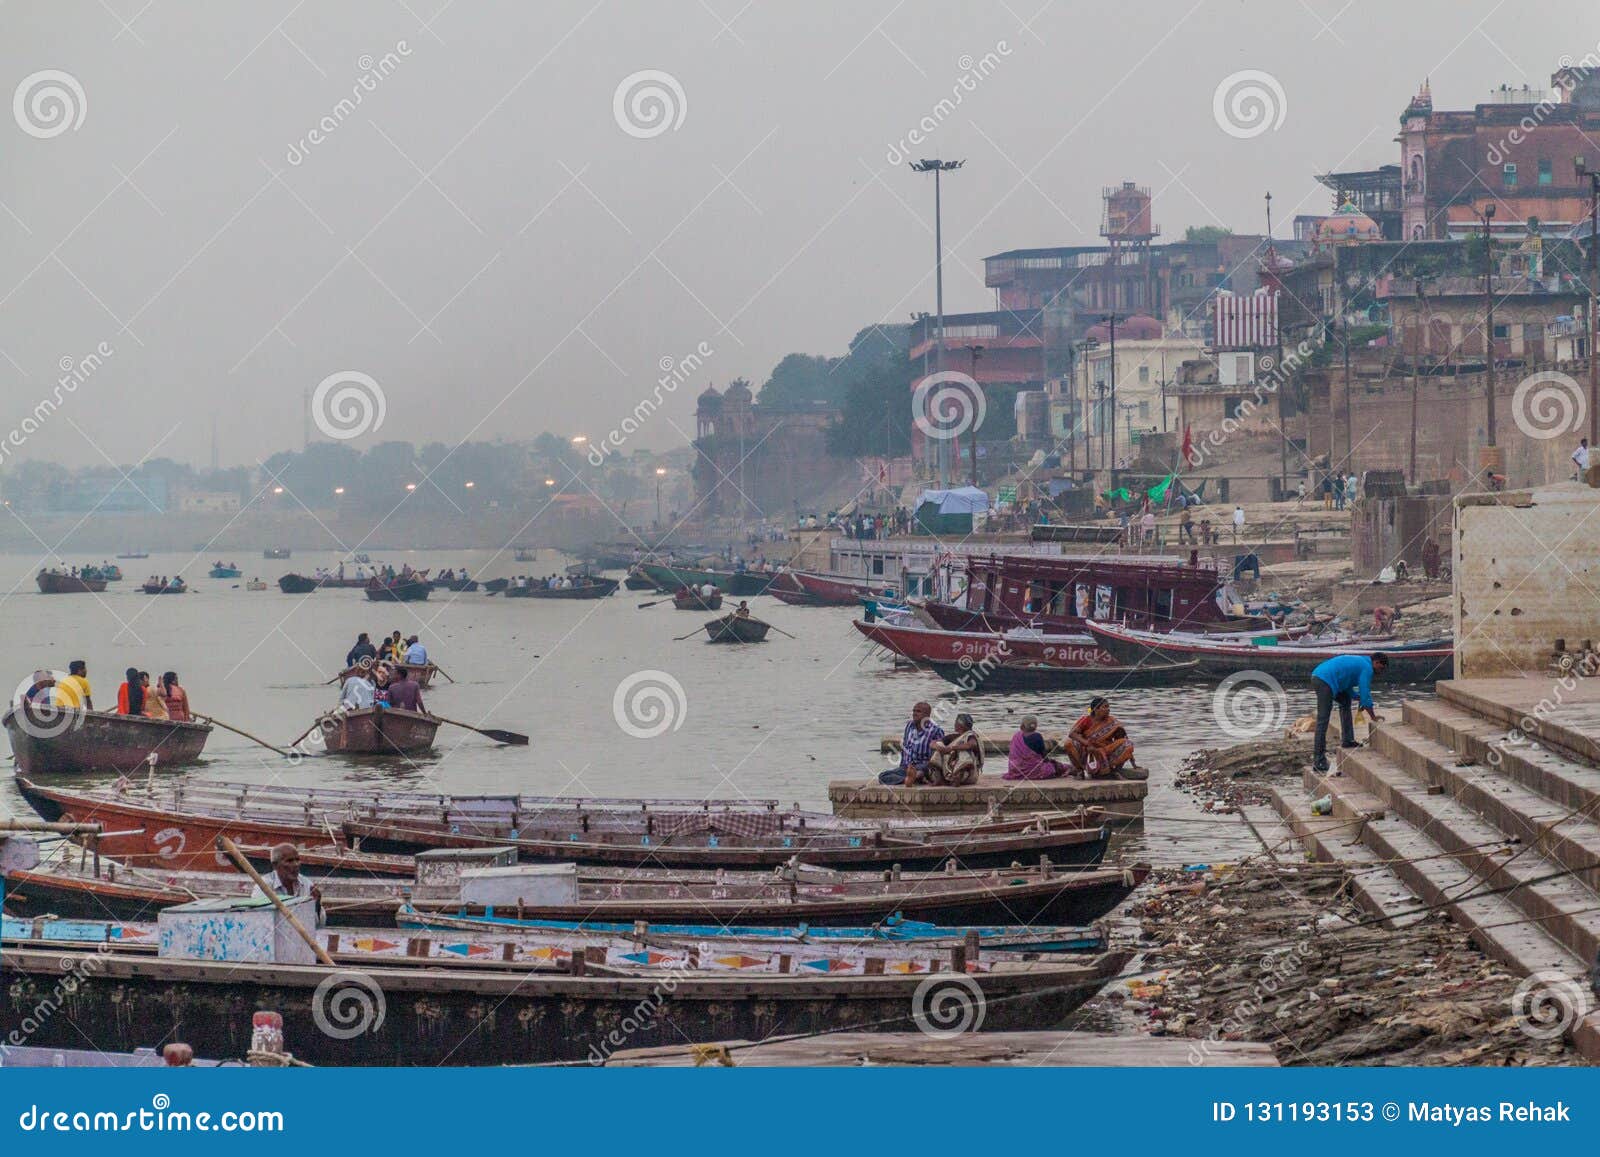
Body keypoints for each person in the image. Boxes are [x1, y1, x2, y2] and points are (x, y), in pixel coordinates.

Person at [1310, 652, 1389, 773]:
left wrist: (1357, 697)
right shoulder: (1367, 668)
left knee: (1345, 701)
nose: (1380, 672)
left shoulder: (1362, 663)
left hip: (1322, 676)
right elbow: (1365, 692)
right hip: (1324, 680)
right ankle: (1319, 760)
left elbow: (1345, 682)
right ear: (1376, 662)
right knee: (1323, 720)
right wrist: (1373, 716)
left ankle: (1348, 740)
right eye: (1381, 668)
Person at [1062, 697, 1135, 778]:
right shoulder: (1086, 720)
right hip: (1088, 753)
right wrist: (1086, 743)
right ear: (1096, 709)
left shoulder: (1112, 721)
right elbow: (1072, 733)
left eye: (1108, 707)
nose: (1108, 709)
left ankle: (1113, 770)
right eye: (1105, 707)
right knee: (1068, 743)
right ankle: (1080, 771)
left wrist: (1133, 762)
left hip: (1106, 752)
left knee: (1127, 744)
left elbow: (1121, 738)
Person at [881, 702, 944, 786]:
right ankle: (911, 779)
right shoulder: (909, 726)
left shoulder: (936, 730)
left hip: (923, 766)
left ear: (927, 715)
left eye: (918, 711)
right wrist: (902, 765)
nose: (914, 714)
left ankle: (917, 776)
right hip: (907, 767)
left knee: (923, 770)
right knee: (882, 776)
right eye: (913, 711)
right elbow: (905, 747)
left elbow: (939, 755)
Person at [259, 843, 322, 920]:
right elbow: (261, 919)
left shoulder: (306, 883)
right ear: (275, 865)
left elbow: (320, 924)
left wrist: (316, 906)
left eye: (297, 860)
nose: (296, 865)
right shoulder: (264, 886)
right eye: (289, 861)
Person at [924, 713, 983, 786]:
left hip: (969, 775)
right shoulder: (952, 737)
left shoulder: (970, 736)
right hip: (949, 772)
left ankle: (958, 775)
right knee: (939, 745)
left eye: (956, 722)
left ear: (961, 725)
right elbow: (932, 743)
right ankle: (938, 777)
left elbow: (972, 744)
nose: (955, 724)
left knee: (963, 751)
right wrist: (941, 748)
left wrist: (952, 748)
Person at [1005, 715, 1066, 780]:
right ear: (1036, 726)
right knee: (1054, 767)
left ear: (1022, 726)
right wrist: (1050, 763)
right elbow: (1044, 756)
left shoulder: (1016, 736)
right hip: (1033, 771)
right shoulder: (1037, 736)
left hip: (1015, 770)